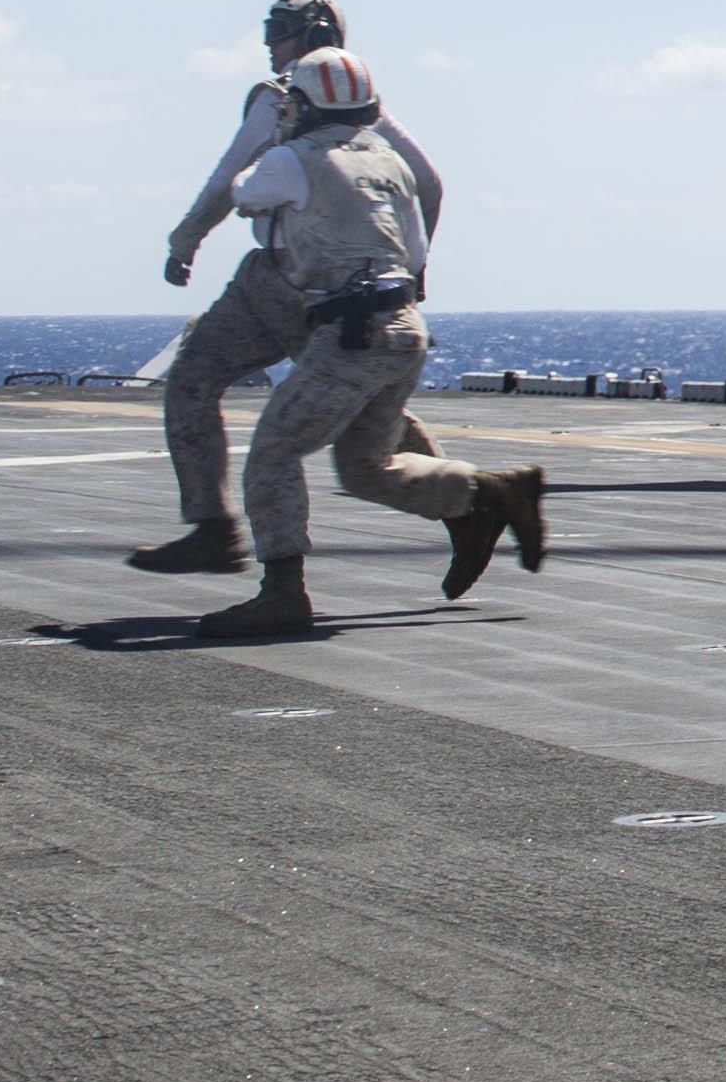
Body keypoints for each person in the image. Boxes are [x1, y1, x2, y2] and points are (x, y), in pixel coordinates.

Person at [190, 47, 546, 639]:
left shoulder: (294, 158)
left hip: (350, 331)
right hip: (404, 328)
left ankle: (282, 592)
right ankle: (490, 492)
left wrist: (277, 136)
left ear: (301, 106)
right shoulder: (389, 162)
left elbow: (246, 193)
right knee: (365, 468)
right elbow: (415, 253)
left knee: (274, 453)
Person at [129, 0, 443, 575]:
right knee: (370, 408)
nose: (271, 42)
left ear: (312, 32)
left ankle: (215, 530)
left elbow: (231, 178)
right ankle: (473, 504)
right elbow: (428, 181)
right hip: (352, 288)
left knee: (195, 379)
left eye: (279, 28)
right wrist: (411, 270)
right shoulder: (368, 109)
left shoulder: (283, 101)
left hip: (282, 281)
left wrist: (184, 241)